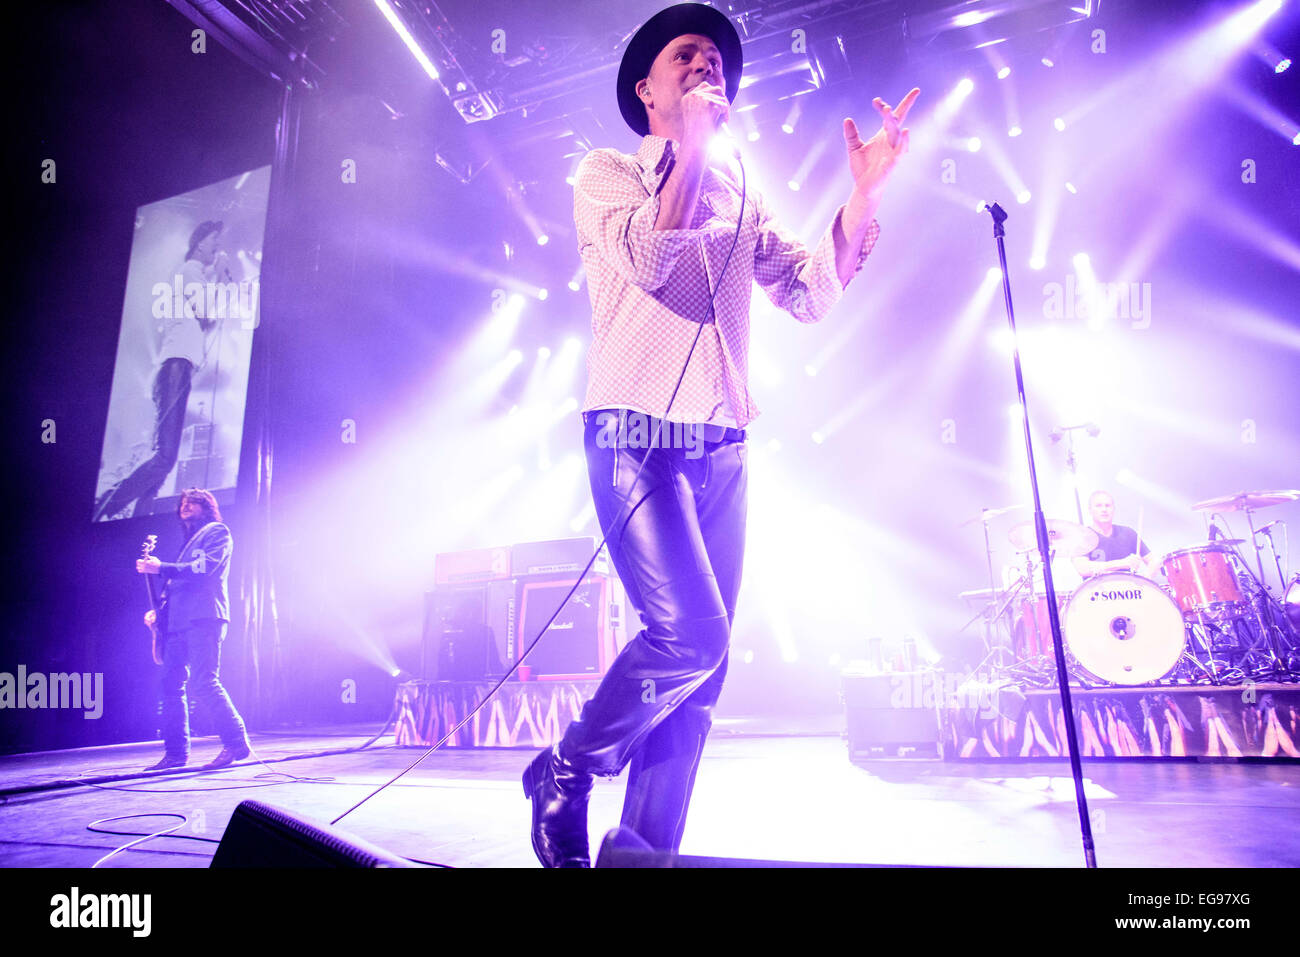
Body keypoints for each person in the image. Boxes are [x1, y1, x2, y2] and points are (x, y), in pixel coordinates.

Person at [521, 1, 917, 867]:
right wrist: (694, 151)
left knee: (704, 672)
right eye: (689, 57)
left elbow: (811, 292)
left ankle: (640, 854)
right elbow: (654, 263)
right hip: (633, 432)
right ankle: (565, 767)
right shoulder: (605, 174)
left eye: (718, 61)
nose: (710, 66)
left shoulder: (741, 192)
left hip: (723, 444)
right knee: (689, 636)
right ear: (648, 89)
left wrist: (864, 194)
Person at [95, 221, 231, 521]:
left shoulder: (194, 276)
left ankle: (139, 519)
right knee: (165, 454)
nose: (217, 246)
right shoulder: (190, 271)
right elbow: (207, 310)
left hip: (179, 367)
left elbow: (205, 321)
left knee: (166, 459)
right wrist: (220, 277)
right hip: (174, 367)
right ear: (198, 243)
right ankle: (105, 505)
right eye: (213, 240)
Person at [136, 487, 251, 770]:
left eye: (194, 502)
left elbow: (202, 568)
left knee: (204, 681)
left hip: (204, 619)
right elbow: (179, 585)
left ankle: (236, 742)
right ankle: (175, 753)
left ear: (207, 507)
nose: (186, 506)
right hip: (177, 624)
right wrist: (159, 615)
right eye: (183, 503)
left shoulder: (217, 532)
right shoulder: (188, 543)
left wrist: (160, 567)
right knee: (170, 686)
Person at [1071, 489, 1158, 579]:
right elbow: (1082, 568)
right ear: (1090, 510)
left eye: (1108, 505)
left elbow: (1153, 561)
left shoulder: (1128, 533)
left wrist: (1145, 579)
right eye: (1098, 506)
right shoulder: (1082, 536)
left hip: (1128, 590)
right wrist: (1123, 563)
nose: (1104, 509)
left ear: (1113, 509)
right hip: (1098, 592)